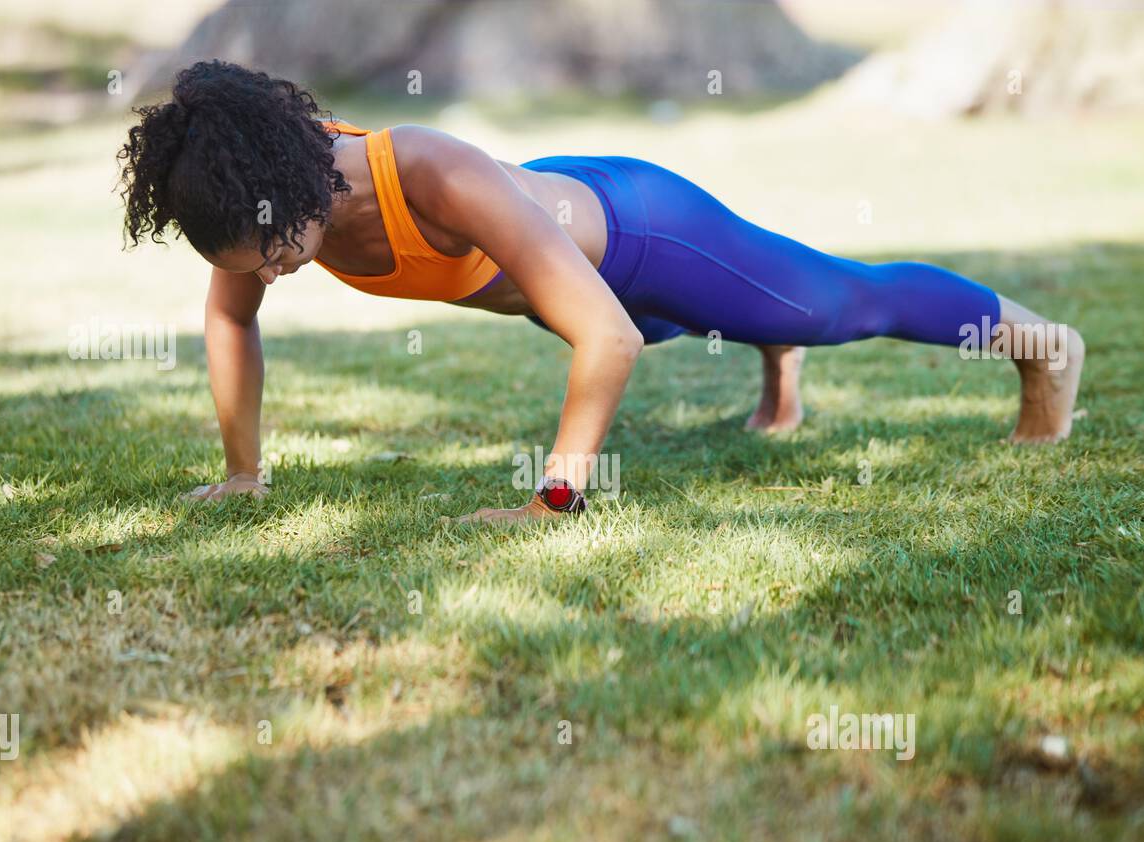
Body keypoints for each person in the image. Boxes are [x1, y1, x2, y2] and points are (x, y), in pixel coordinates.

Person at [118, 61, 1084, 525]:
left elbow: (608, 339)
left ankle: (1042, 347)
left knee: (838, 304)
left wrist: (552, 500)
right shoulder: (256, 192)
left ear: (293, 185)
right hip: (550, 247)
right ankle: (764, 351)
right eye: (257, 260)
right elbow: (228, 318)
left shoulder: (426, 172)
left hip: (643, 232)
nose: (275, 272)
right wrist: (246, 472)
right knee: (671, 325)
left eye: (275, 251)